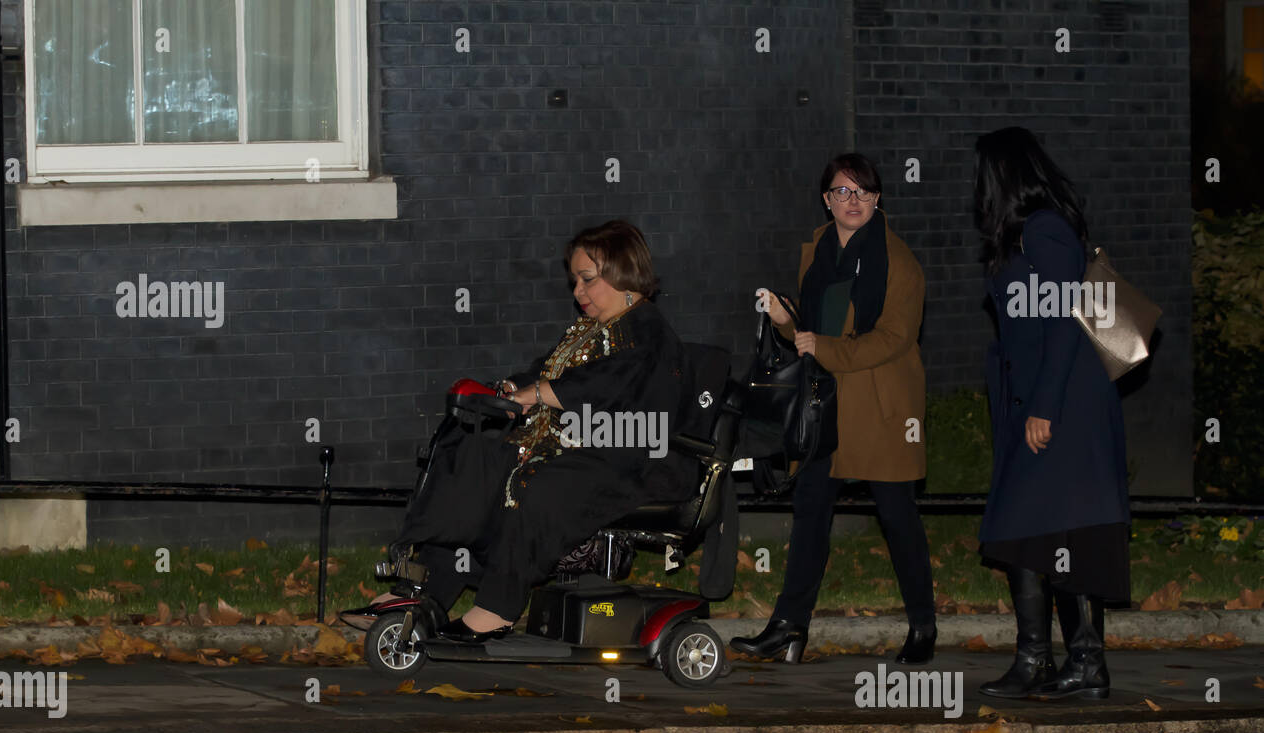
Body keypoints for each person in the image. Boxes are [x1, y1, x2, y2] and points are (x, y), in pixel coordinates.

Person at [393, 220, 692, 642]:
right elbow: (547, 369)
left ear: (623, 272)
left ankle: (497, 609)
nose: (578, 293)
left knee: (538, 488)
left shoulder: (647, 331)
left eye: (587, 280)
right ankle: (424, 594)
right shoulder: (591, 330)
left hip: (632, 455)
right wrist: (513, 388)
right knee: (481, 470)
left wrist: (537, 394)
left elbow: (608, 386)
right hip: (581, 447)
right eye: (576, 281)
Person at [732, 153, 937, 665]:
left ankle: (924, 625)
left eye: (863, 191)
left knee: (897, 515)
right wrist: (784, 318)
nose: (853, 201)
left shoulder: (900, 262)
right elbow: (809, 331)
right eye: (842, 191)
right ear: (825, 199)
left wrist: (825, 347)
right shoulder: (817, 252)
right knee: (810, 512)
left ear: (878, 198)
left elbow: (894, 338)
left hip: (882, 406)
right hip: (825, 404)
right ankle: (787, 626)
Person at [973, 126, 1130, 700]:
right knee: (1022, 527)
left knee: (1067, 528)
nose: (977, 187)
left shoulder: (1049, 231)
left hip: (1065, 406)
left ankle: (1086, 664)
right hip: (1032, 403)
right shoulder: (1018, 238)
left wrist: (1042, 407)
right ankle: (1035, 659)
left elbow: (1066, 324)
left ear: (1005, 176)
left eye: (984, 175)